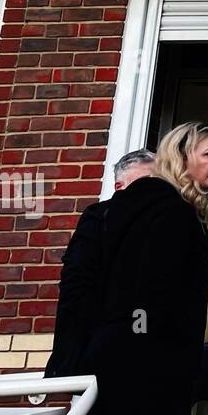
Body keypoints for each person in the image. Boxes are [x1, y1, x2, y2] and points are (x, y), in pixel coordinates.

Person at [84, 122, 208, 415]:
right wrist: (153, 356)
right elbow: (144, 293)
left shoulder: (169, 208)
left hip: (141, 365)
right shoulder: (168, 211)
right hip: (144, 374)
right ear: (182, 157)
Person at [44, 149, 155, 380]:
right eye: (144, 184)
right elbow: (77, 287)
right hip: (104, 348)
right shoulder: (99, 220)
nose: (151, 192)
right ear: (119, 187)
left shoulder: (160, 224)